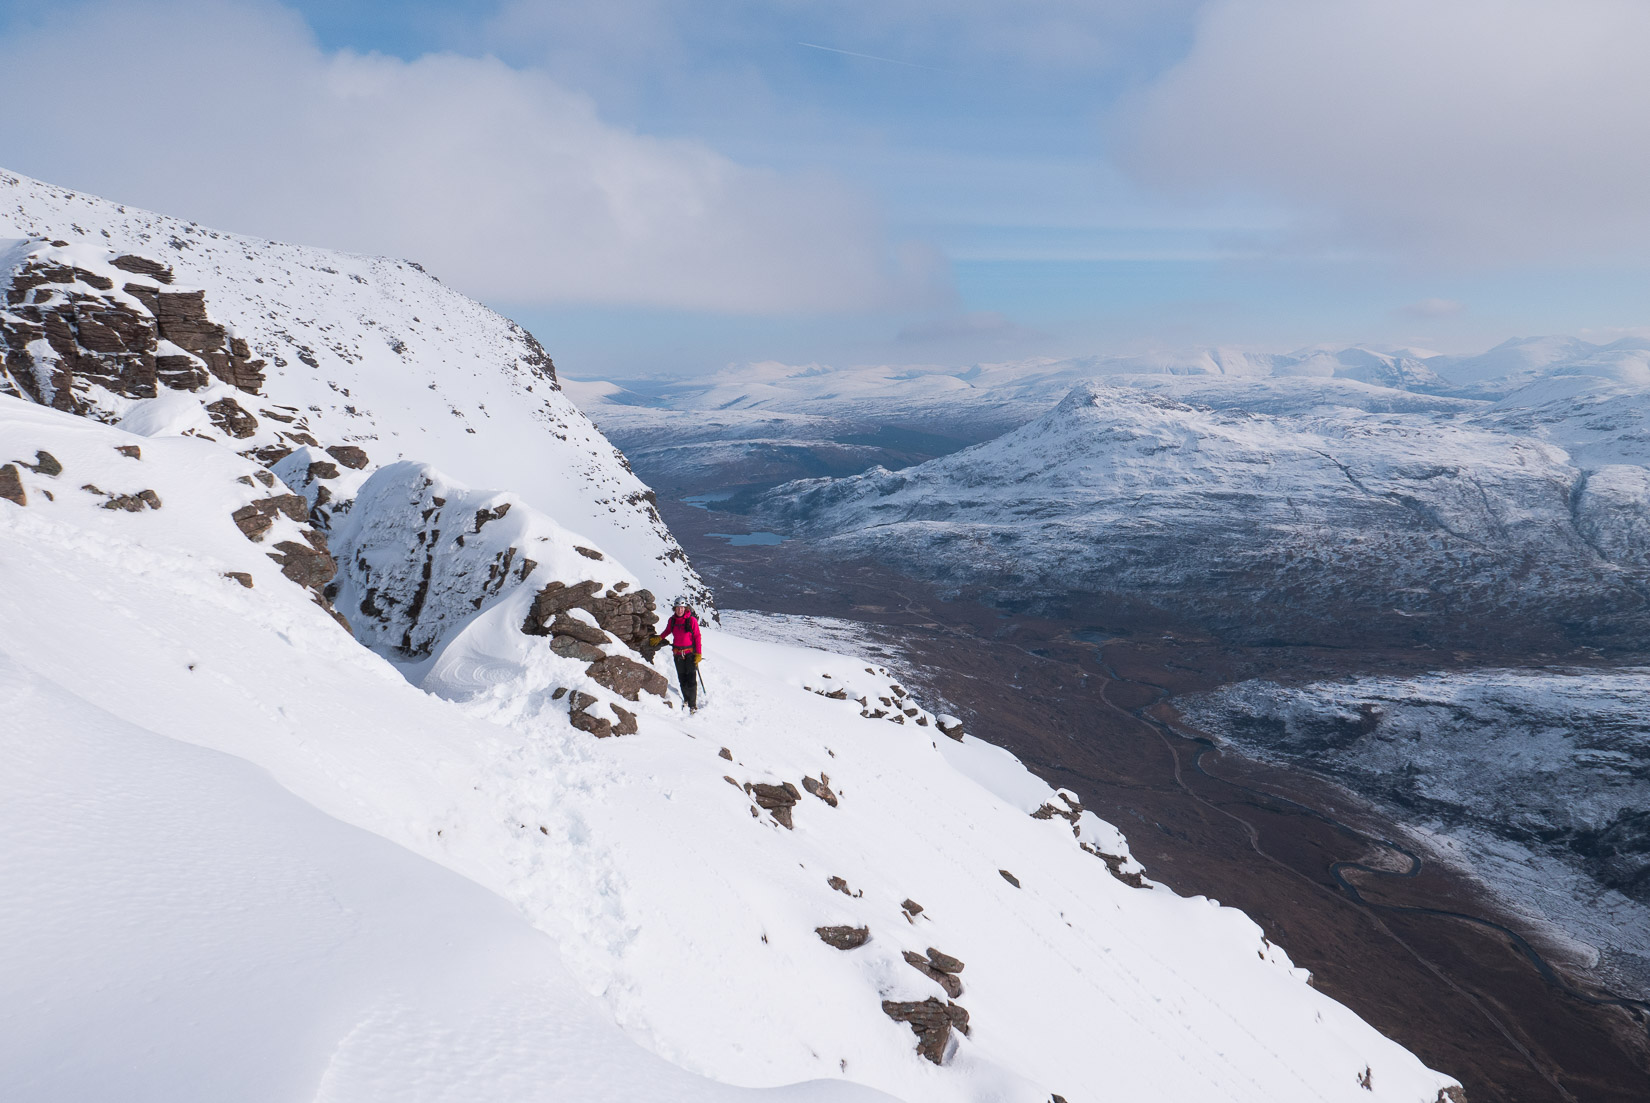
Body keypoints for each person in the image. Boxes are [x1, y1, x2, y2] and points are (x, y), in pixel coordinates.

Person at [651, 596, 703, 712]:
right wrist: (659, 638)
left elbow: (697, 637)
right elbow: (668, 631)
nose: (680, 610)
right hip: (678, 654)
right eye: (678, 608)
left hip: (690, 654)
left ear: (685, 608)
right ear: (675, 609)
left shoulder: (691, 620)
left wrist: (698, 654)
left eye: (682, 608)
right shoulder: (672, 620)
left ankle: (692, 704)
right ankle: (686, 699)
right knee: (682, 678)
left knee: (691, 679)